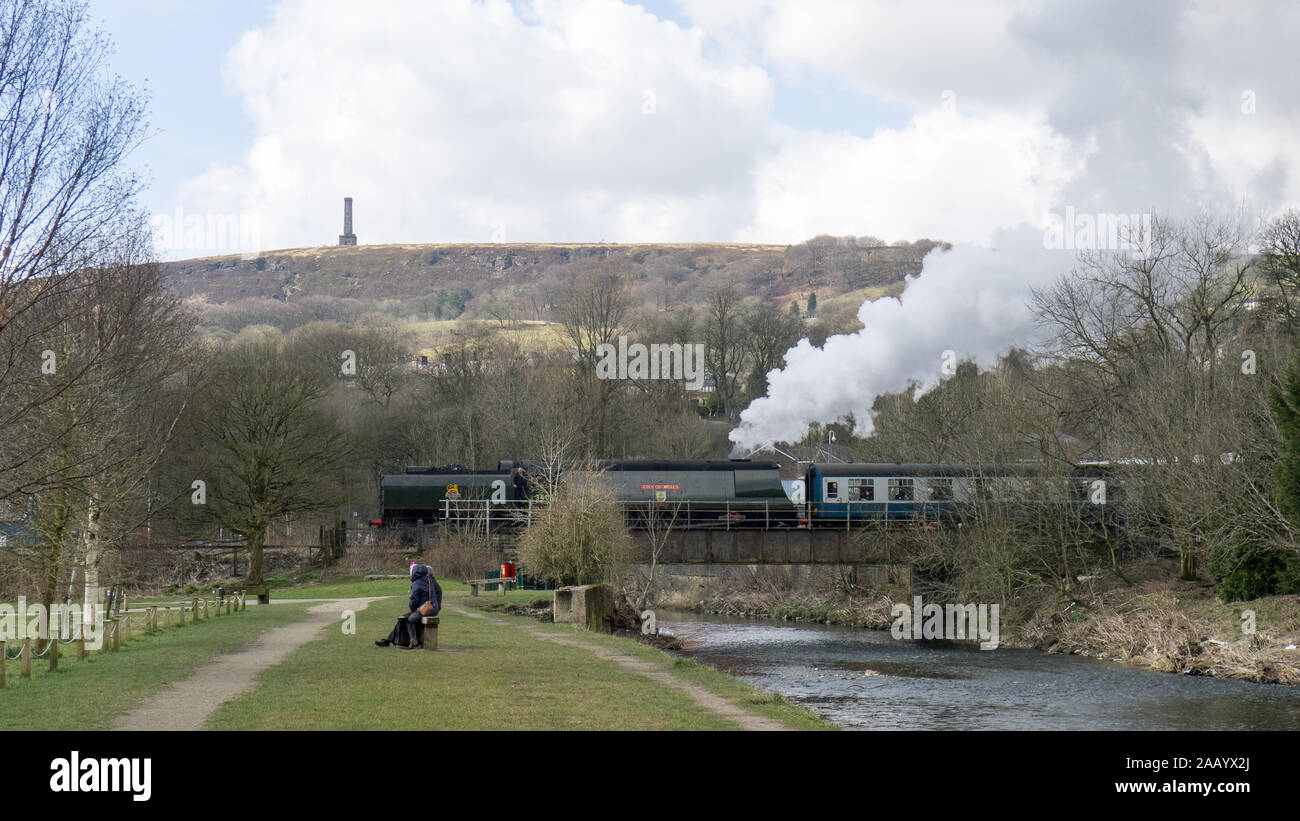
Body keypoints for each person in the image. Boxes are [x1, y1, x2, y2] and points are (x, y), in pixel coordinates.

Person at [375, 563, 442, 650]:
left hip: (424, 610)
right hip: (433, 609)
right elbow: (438, 592)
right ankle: (389, 640)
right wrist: (437, 606)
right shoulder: (429, 580)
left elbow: (414, 599)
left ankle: (412, 642)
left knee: (408, 619)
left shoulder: (417, 583)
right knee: (403, 618)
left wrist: (411, 608)